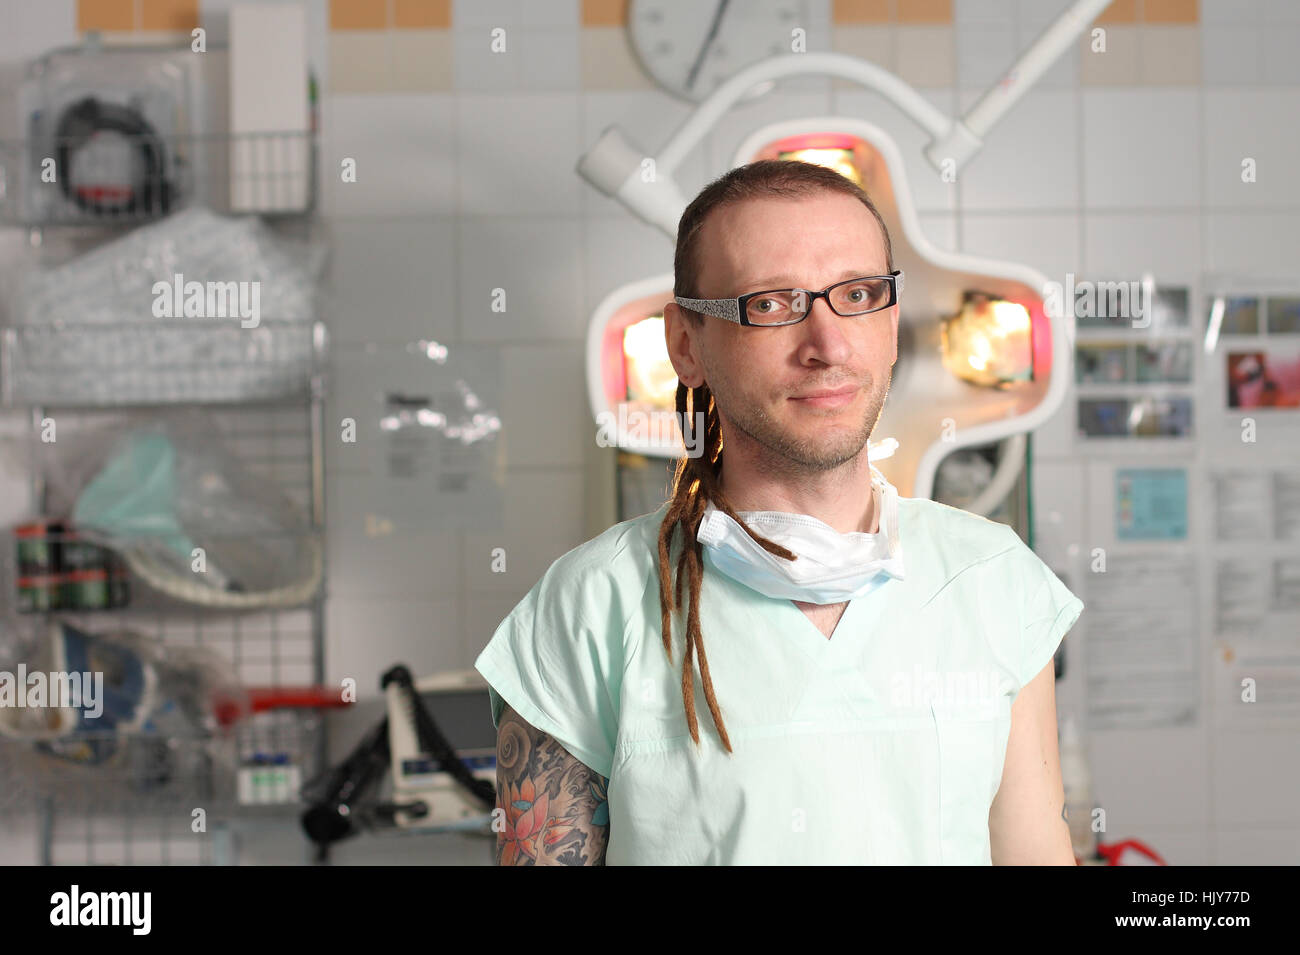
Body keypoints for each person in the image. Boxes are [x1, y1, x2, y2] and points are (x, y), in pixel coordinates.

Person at [474, 159, 1084, 865]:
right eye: (770, 304)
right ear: (685, 345)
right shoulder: (591, 606)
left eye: (857, 294)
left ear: (890, 321)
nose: (827, 346)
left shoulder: (993, 581)